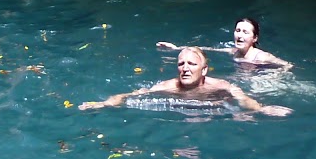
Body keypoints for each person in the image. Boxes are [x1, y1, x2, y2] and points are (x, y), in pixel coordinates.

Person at [79, 47, 291, 115]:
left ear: (204, 69)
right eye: (181, 64)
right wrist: (104, 103)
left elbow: (242, 98)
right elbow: (130, 95)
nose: (185, 68)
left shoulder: (220, 86)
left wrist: (262, 109)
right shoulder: (167, 86)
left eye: (191, 64)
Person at [155, 16, 292, 70]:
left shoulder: (261, 57)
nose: (240, 35)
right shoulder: (234, 51)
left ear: (254, 38)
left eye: (245, 32)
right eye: (238, 30)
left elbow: (288, 65)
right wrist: (177, 48)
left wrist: (273, 77)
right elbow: (208, 49)